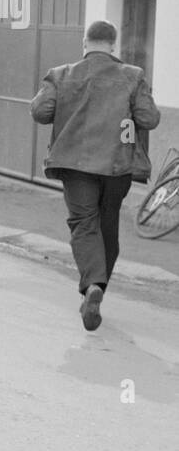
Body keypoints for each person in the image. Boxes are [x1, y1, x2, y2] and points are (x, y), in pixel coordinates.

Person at [30, 19, 160, 331]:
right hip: (117, 166)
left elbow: (40, 112)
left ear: (85, 44)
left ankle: (92, 286)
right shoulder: (133, 75)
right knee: (107, 226)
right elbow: (149, 118)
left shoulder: (60, 74)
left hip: (76, 165)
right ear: (113, 45)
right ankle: (99, 286)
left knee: (84, 224)